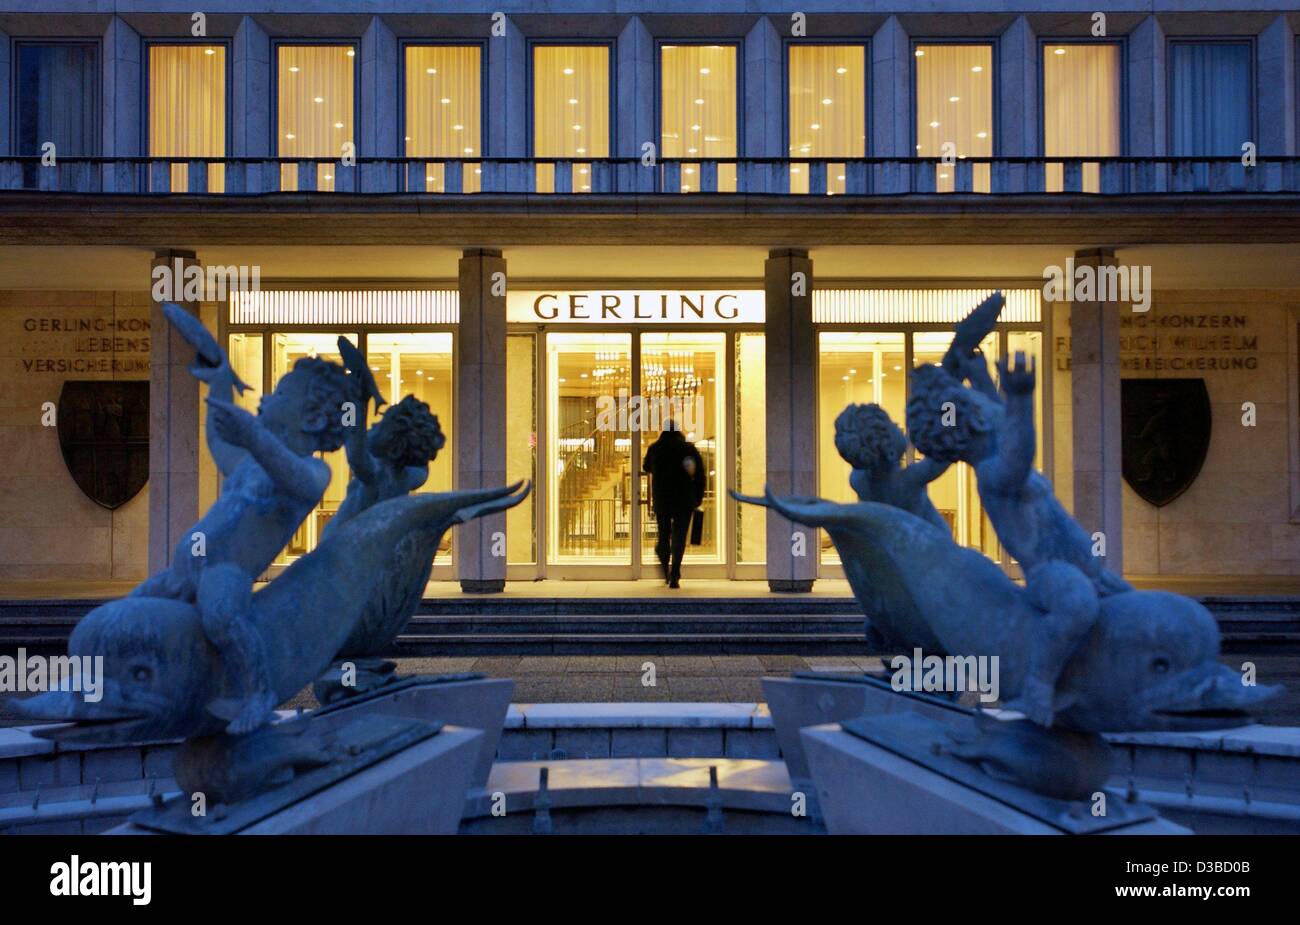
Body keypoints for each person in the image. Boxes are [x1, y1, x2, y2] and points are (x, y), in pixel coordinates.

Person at [133, 305, 361, 734]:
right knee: (132, 613)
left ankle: (255, 693)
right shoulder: (250, 463)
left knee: (221, 617)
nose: (264, 398)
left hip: (227, 572)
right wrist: (219, 381)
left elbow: (288, 475)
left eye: (278, 394)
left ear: (311, 418)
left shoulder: (312, 472)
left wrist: (252, 434)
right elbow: (220, 437)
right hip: (185, 568)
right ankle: (99, 689)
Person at [642, 421, 705, 588]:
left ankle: (665, 571)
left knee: (663, 536)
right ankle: (675, 573)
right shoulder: (688, 449)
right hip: (684, 499)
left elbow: (646, 466)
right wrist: (698, 497)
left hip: (662, 499)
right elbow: (699, 475)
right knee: (679, 537)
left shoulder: (655, 448)